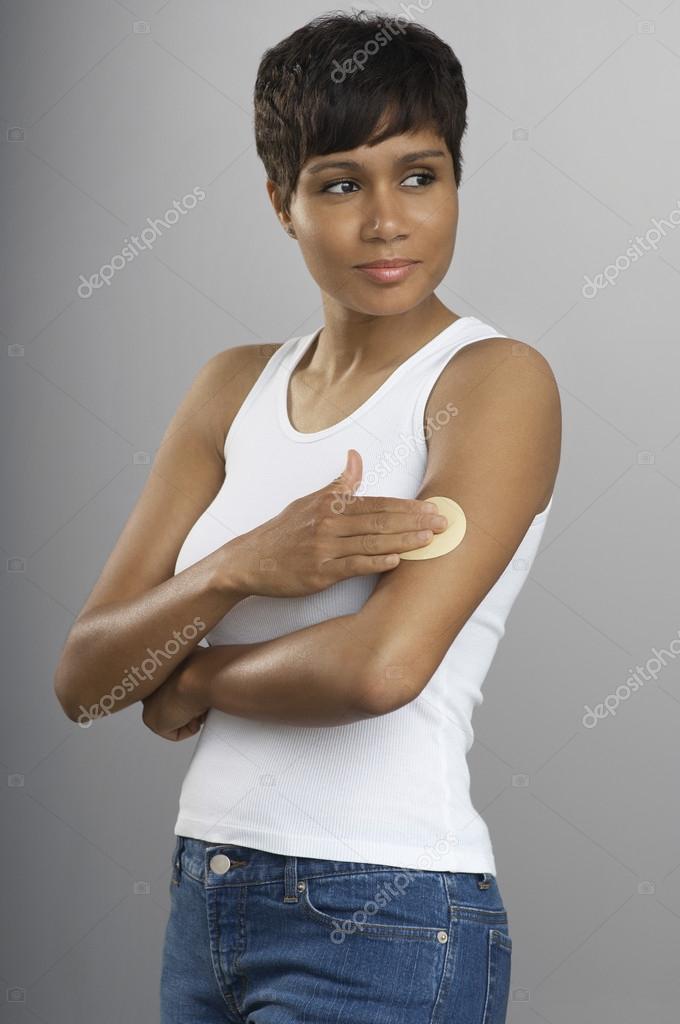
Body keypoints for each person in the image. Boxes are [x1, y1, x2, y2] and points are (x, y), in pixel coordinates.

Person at [54, 10, 561, 1022]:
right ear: (280, 201)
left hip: (388, 911)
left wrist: (183, 678)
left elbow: (380, 668)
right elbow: (84, 678)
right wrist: (239, 565)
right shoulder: (229, 387)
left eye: (419, 175)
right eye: (339, 184)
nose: (387, 221)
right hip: (207, 892)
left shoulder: (493, 380)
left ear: (455, 181)